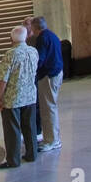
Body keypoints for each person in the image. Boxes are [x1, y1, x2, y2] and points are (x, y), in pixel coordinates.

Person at [0, 26, 39, 169]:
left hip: (13, 98)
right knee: (30, 126)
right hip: (30, 95)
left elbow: (2, 79)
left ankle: (13, 159)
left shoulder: (10, 54)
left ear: (11, 38)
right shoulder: (33, 51)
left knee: (12, 129)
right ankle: (32, 154)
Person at [31, 16, 64, 151]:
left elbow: (41, 59)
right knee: (51, 107)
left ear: (35, 27)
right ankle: (53, 138)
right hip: (56, 73)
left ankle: (52, 140)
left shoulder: (42, 38)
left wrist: (33, 71)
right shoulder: (52, 35)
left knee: (47, 108)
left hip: (48, 75)